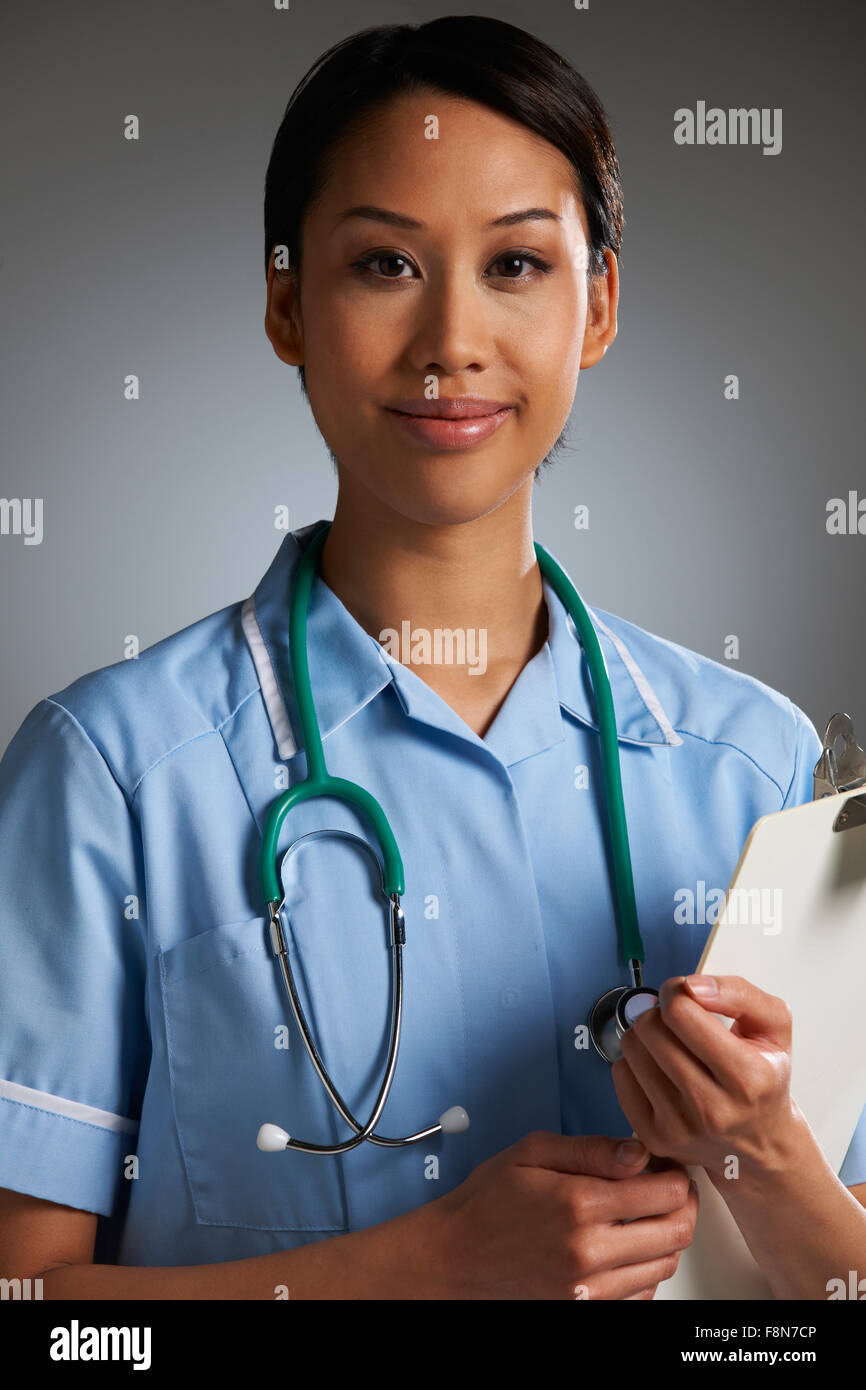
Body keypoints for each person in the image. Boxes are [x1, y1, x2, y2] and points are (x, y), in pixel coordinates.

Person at [1, 15, 864, 1302]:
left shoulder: (757, 762)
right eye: (386, 263)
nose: (450, 339)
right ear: (288, 302)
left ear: (600, 305)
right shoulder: (111, 774)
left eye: (516, 264)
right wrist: (427, 1269)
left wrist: (760, 1158)